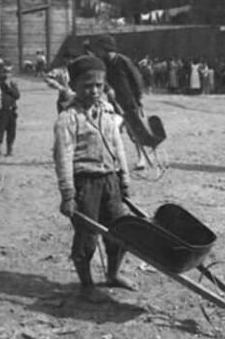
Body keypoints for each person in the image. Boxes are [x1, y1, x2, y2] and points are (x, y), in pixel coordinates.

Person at [53, 54, 134, 303]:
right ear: (74, 86)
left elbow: (118, 146)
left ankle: (112, 274)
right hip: (85, 184)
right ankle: (86, 285)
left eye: (99, 85)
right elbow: (63, 158)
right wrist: (68, 195)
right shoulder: (68, 119)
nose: (94, 90)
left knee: (121, 230)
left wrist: (125, 179)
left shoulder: (108, 113)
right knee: (87, 236)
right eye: (87, 85)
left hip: (110, 180)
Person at [92, 34, 158, 170]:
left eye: (99, 49)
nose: (98, 52)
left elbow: (136, 79)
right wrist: (108, 89)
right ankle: (114, 159)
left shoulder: (123, 61)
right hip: (114, 102)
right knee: (112, 129)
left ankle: (142, 158)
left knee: (135, 131)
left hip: (129, 101)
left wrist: (138, 101)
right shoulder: (103, 64)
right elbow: (102, 80)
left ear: (106, 48)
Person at [0, 61, 20, 157]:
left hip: (11, 109)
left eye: (9, 72)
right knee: (0, 129)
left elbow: (17, 96)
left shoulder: (13, 83)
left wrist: (10, 87)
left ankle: (10, 149)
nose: (7, 74)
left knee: (11, 130)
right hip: (2, 110)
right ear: (1, 72)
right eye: (5, 71)